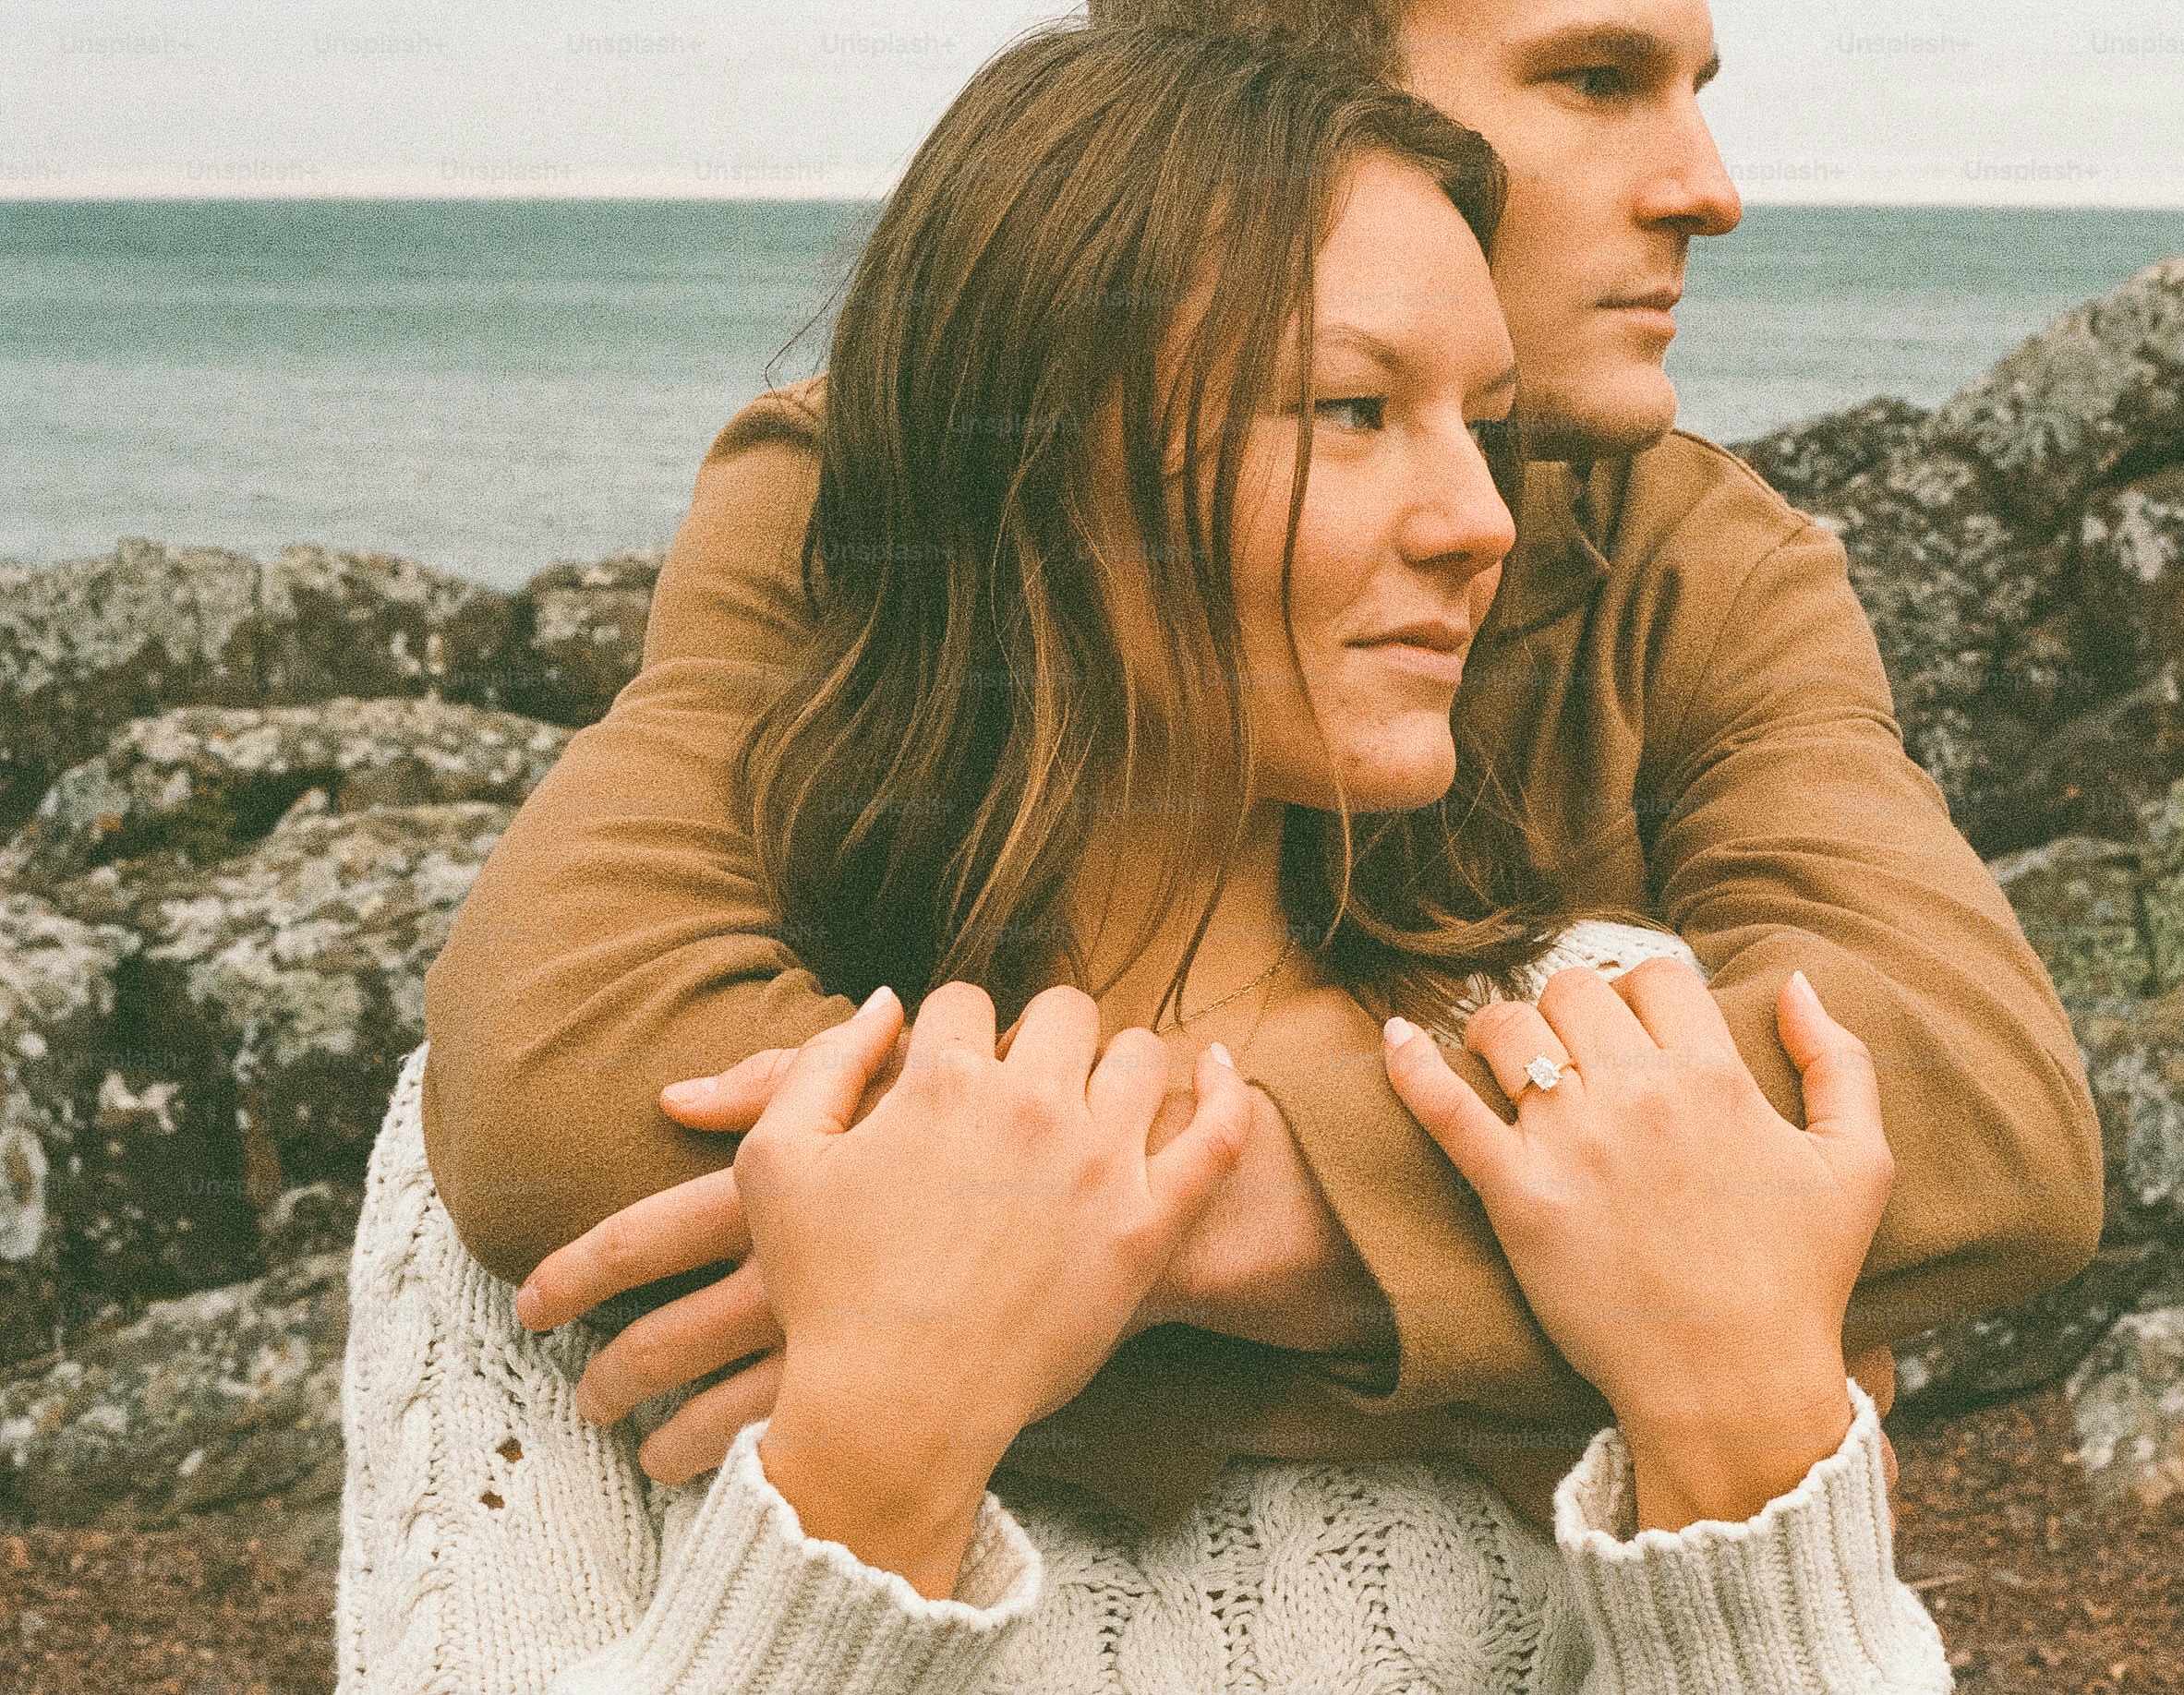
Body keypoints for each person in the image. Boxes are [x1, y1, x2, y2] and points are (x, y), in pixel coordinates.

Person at [336, 29, 1951, 1688]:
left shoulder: (1620, 1080)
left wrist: (1745, 1445)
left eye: (1489, 426)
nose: (1479, 518)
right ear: (1031, 457)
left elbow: (2003, 1109)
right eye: (1351, 407)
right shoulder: (591, 1136)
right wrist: (873, 1474)